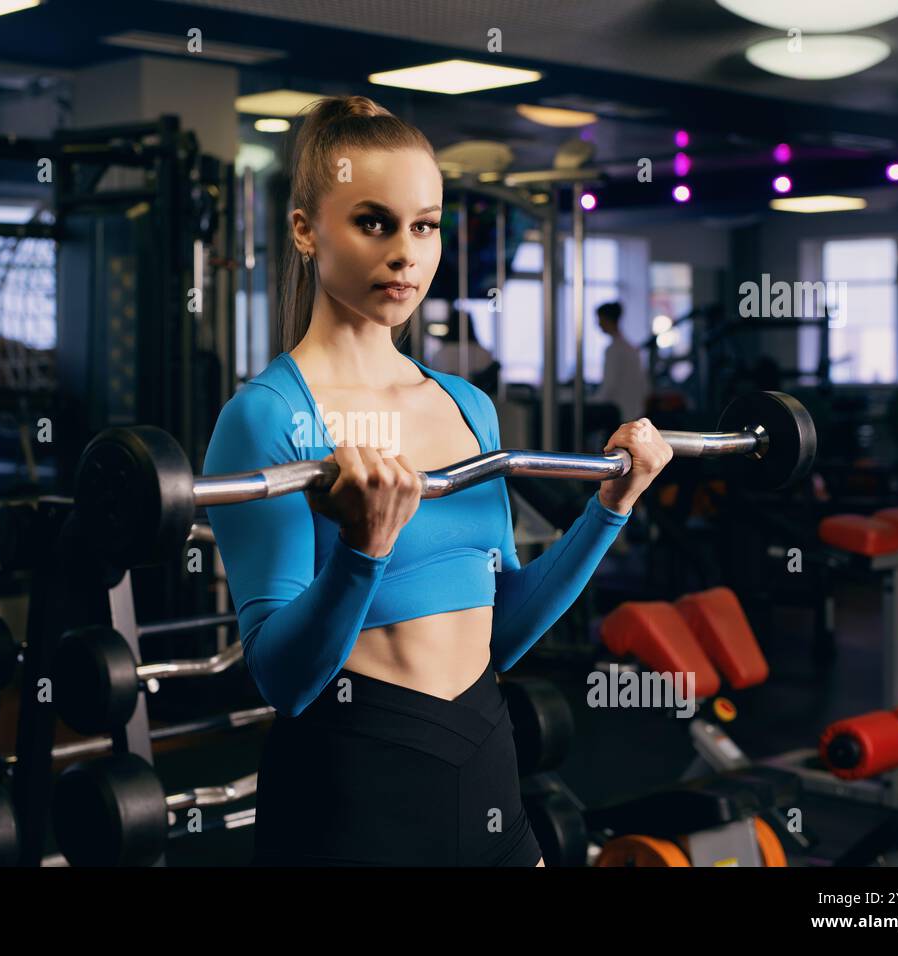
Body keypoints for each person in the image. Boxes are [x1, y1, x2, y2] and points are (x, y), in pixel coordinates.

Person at [202, 96, 671, 867]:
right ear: (305, 229)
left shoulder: (467, 406)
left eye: (424, 225)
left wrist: (609, 509)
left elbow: (503, 630)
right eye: (374, 222)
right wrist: (364, 549)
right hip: (352, 791)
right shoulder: (268, 418)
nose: (406, 253)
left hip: (487, 766)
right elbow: (283, 680)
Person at [592, 301, 649, 422]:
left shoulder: (614, 350)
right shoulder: (631, 348)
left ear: (607, 320)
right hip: (635, 412)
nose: (598, 324)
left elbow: (609, 385)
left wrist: (593, 403)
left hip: (618, 413)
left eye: (600, 320)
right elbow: (644, 384)